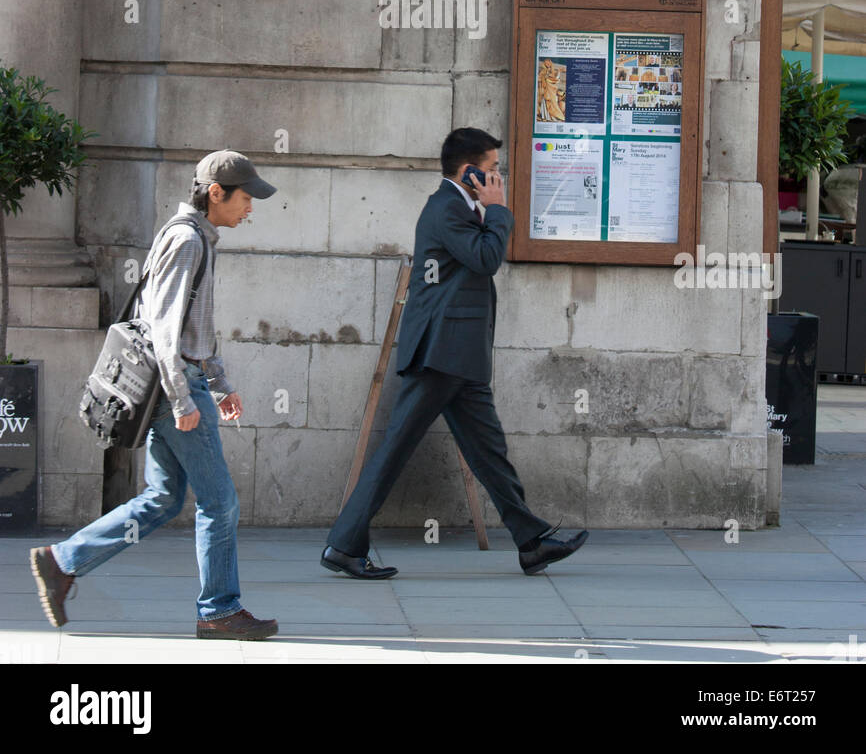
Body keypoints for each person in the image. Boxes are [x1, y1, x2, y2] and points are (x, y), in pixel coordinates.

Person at [30, 150, 280, 640]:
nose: (250, 208)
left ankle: (63, 560)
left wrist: (221, 382)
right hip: (175, 389)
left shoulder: (196, 237)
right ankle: (219, 611)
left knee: (164, 498)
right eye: (245, 197)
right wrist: (185, 399)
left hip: (181, 382)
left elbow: (196, 326)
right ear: (216, 193)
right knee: (220, 503)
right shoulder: (187, 240)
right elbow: (165, 330)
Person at [321, 127, 589, 579]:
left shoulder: (460, 207)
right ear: (468, 173)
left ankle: (531, 542)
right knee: (394, 450)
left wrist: (489, 210)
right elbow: (486, 259)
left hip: (458, 354)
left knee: (489, 451)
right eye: (492, 170)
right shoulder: (447, 209)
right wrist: (499, 210)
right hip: (440, 353)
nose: (497, 177)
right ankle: (343, 545)